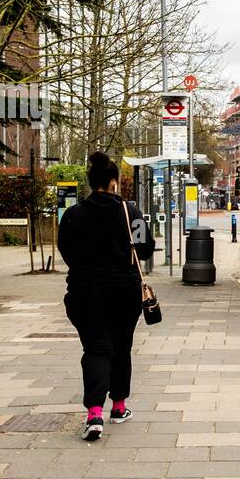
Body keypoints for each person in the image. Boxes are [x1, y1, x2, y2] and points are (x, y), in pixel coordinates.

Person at [57, 152, 154, 441]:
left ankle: (94, 413)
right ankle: (119, 406)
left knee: (97, 349)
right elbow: (146, 249)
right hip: (124, 293)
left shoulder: (73, 214)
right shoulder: (131, 213)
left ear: (90, 182)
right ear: (114, 182)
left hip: (85, 293)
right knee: (121, 347)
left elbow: (66, 250)